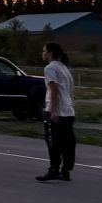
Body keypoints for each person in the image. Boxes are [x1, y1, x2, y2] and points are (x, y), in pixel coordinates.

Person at [36, 41, 76, 182]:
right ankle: (66, 170)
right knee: (67, 142)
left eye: (44, 51)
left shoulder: (50, 68)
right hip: (69, 111)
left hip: (57, 111)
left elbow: (54, 91)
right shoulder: (64, 67)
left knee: (52, 141)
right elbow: (70, 91)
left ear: (50, 53)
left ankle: (54, 169)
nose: (42, 53)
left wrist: (53, 112)